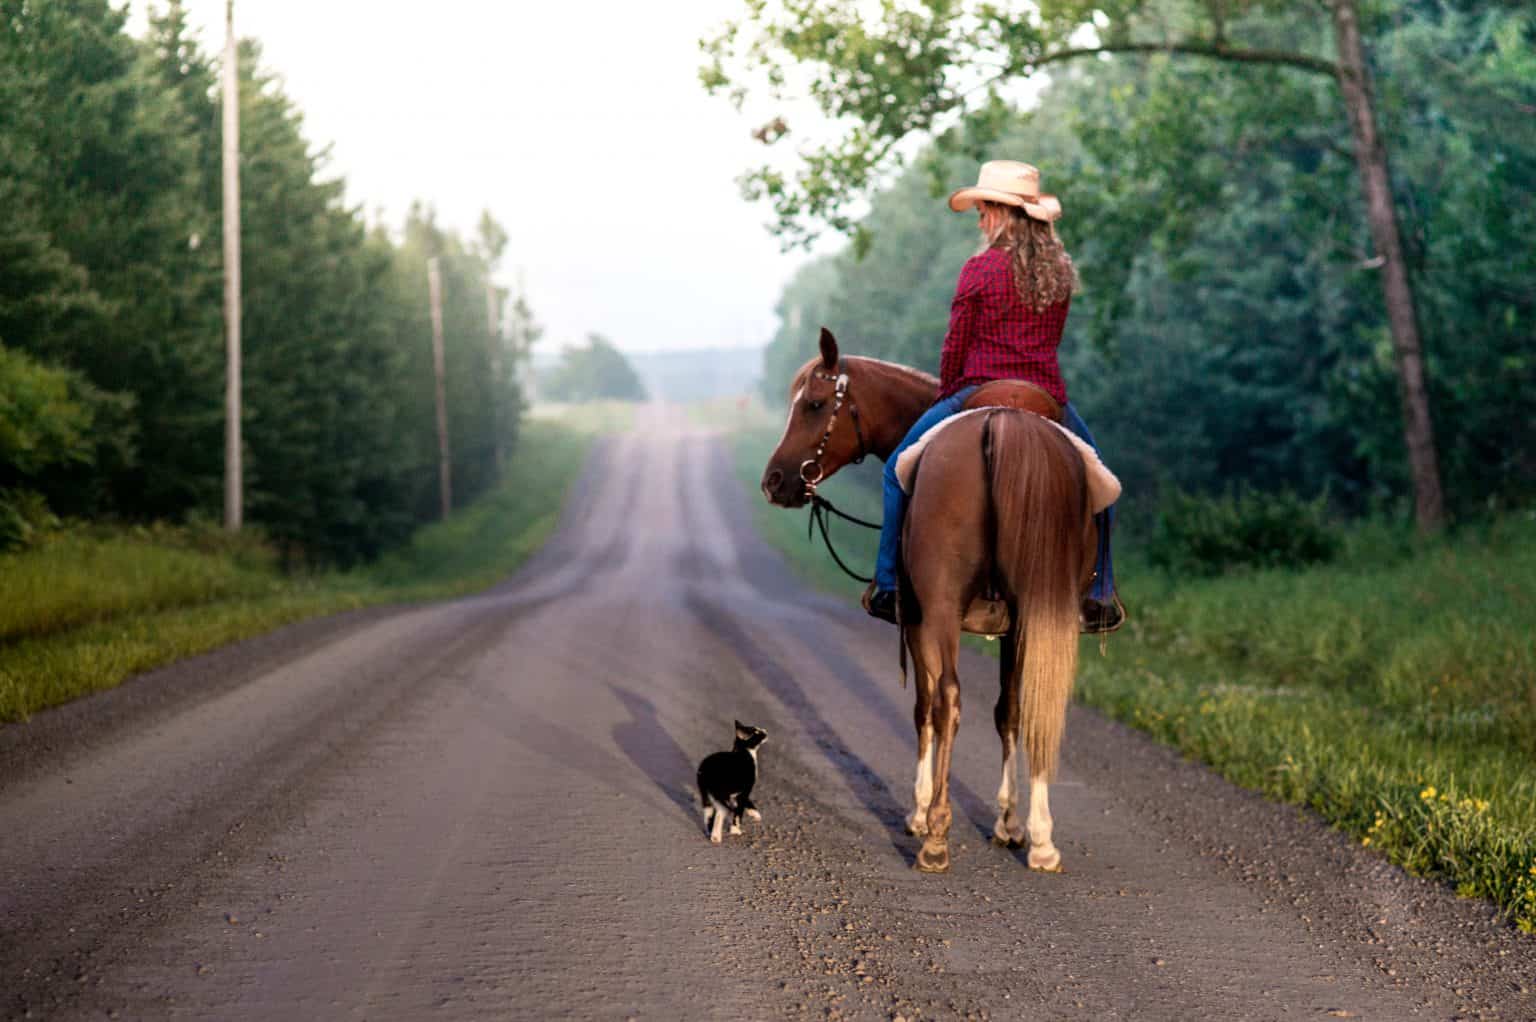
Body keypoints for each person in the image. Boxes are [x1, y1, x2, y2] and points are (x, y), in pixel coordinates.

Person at [866, 160, 1125, 633]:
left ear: (1003, 215)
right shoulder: (1060, 274)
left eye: (984, 211)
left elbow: (955, 344)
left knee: (894, 471)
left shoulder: (979, 269)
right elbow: (1050, 340)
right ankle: (1100, 592)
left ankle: (888, 584)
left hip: (978, 389)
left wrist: (947, 394)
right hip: (1045, 397)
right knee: (1102, 487)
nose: (981, 221)